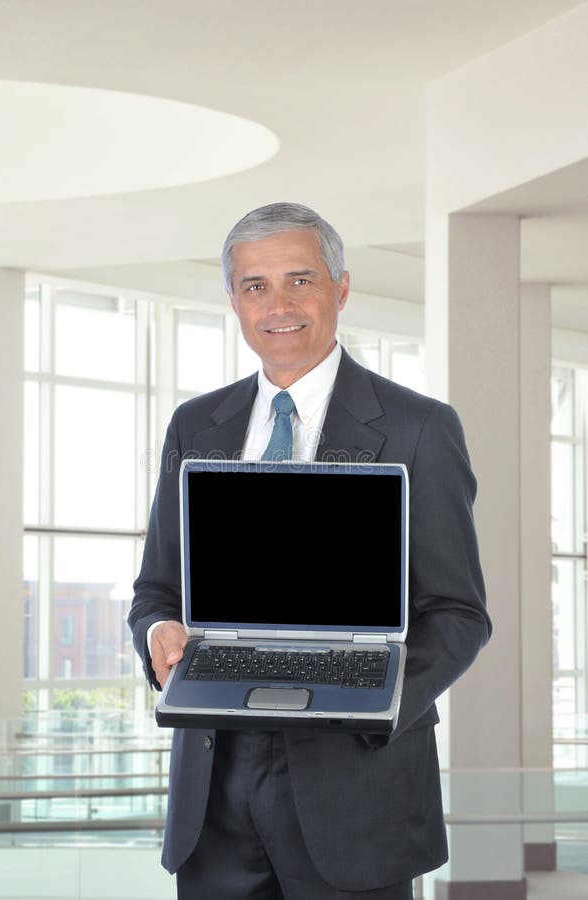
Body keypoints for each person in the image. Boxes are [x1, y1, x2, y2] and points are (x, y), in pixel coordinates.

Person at [128, 202, 491, 899]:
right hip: (215, 793)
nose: (278, 306)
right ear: (233, 299)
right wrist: (158, 632)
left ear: (341, 289)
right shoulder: (196, 424)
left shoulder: (419, 429)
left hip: (357, 791)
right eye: (255, 286)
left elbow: (459, 614)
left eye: (301, 280)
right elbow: (156, 591)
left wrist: (375, 699)